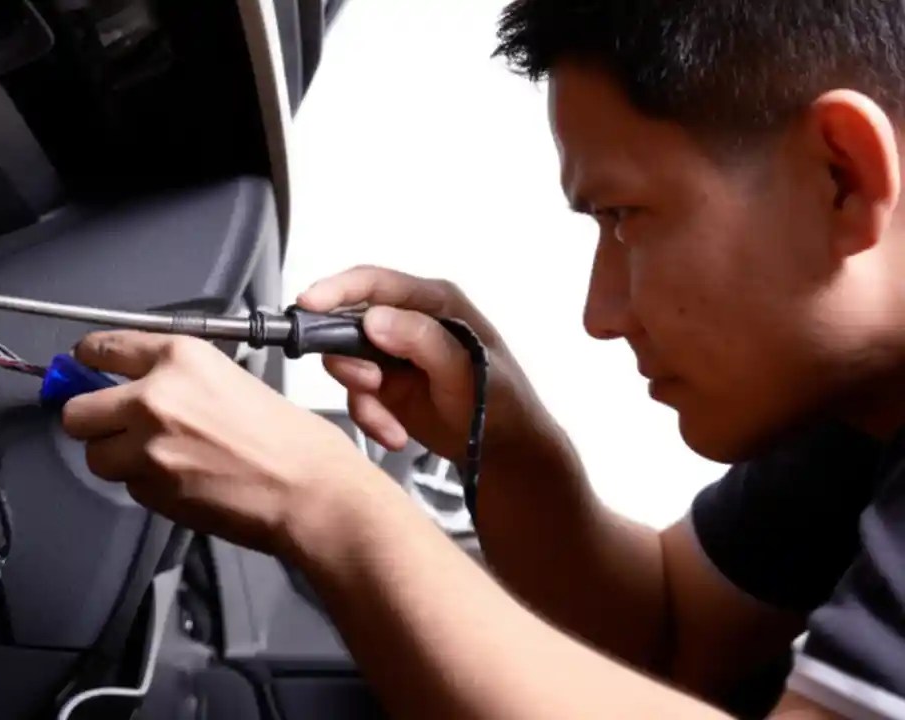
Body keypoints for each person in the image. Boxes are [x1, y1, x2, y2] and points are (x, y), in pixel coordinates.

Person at [60, 0, 905, 717]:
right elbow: (673, 636)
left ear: (842, 174)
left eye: (625, 216)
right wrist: (504, 443)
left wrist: (325, 503)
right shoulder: (860, 410)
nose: (600, 316)